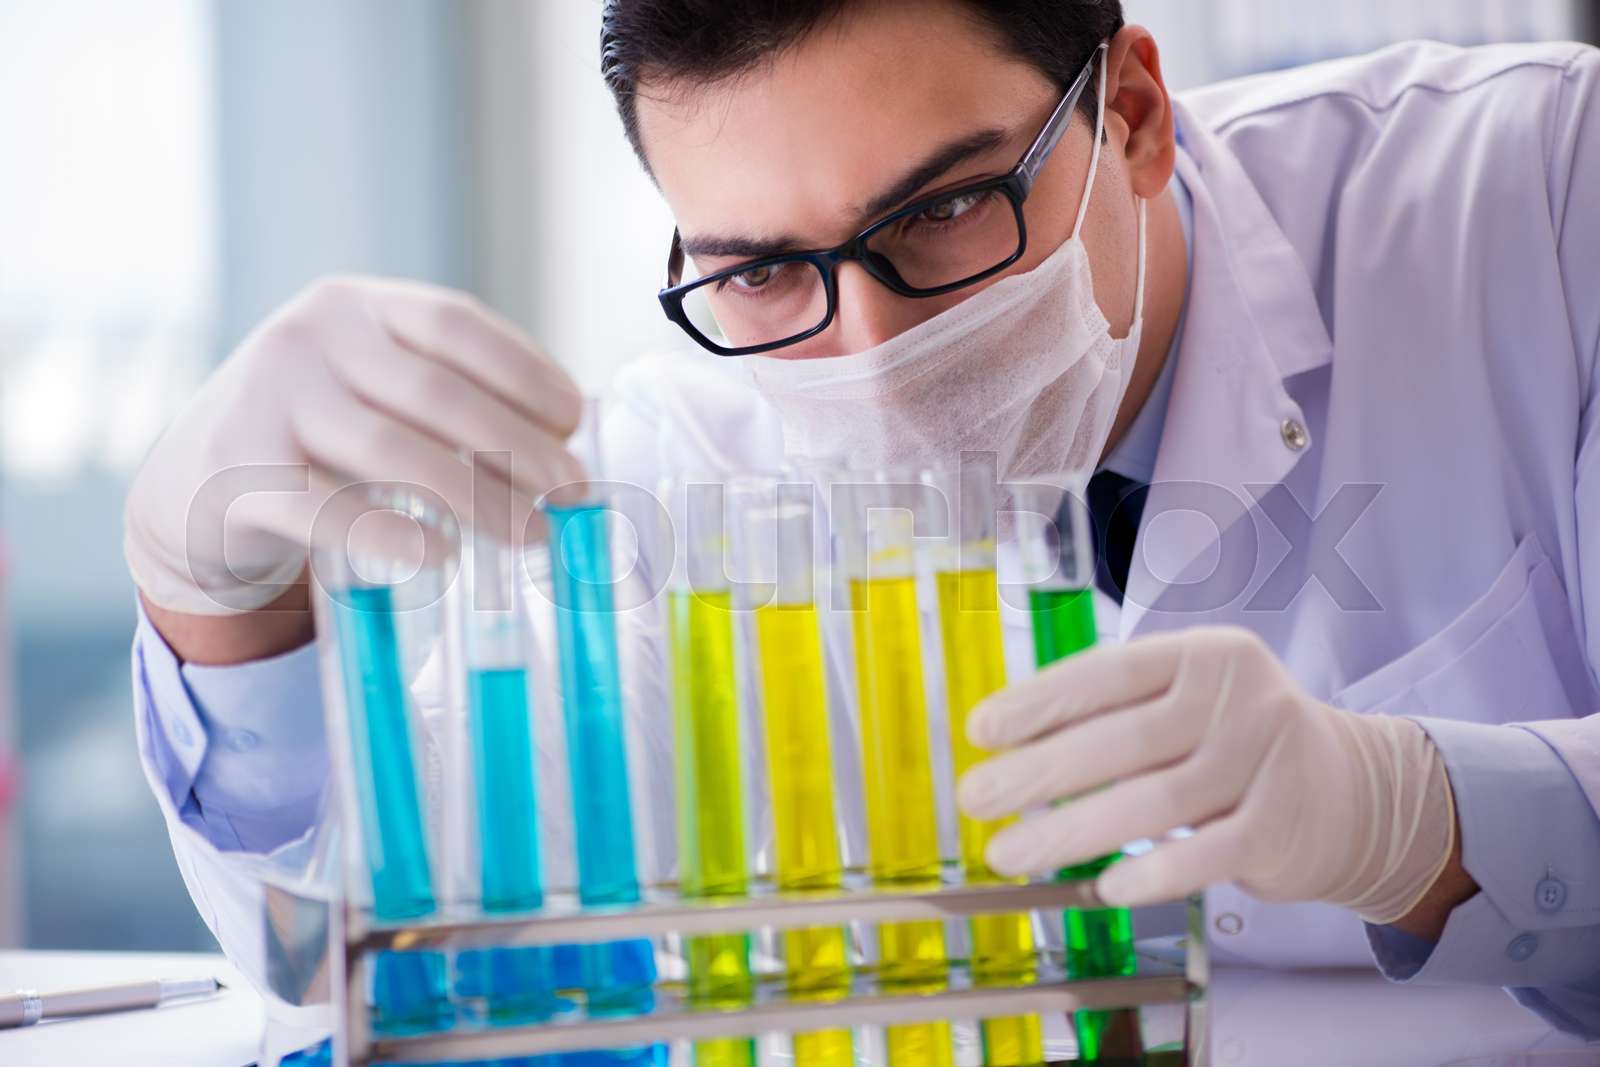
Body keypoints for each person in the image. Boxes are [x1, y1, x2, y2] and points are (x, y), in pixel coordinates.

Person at [122, 0, 1600, 1038]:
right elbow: (348, 934)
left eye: (946, 212)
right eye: (762, 270)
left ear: (1134, 113)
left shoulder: (1537, 198)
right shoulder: (685, 450)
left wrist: (1414, 813)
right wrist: (214, 596)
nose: (871, 352)